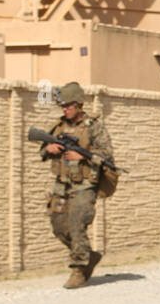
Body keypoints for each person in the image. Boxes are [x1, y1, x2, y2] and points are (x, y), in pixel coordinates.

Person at [41, 82, 114, 288]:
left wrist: (81, 156)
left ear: (79, 105)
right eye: (62, 106)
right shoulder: (59, 126)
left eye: (68, 106)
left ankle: (79, 269)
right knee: (58, 227)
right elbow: (42, 152)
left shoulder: (94, 127)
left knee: (76, 225)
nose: (64, 109)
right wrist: (50, 148)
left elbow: (107, 155)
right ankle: (89, 256)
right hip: (61, 184)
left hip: (84, 185)